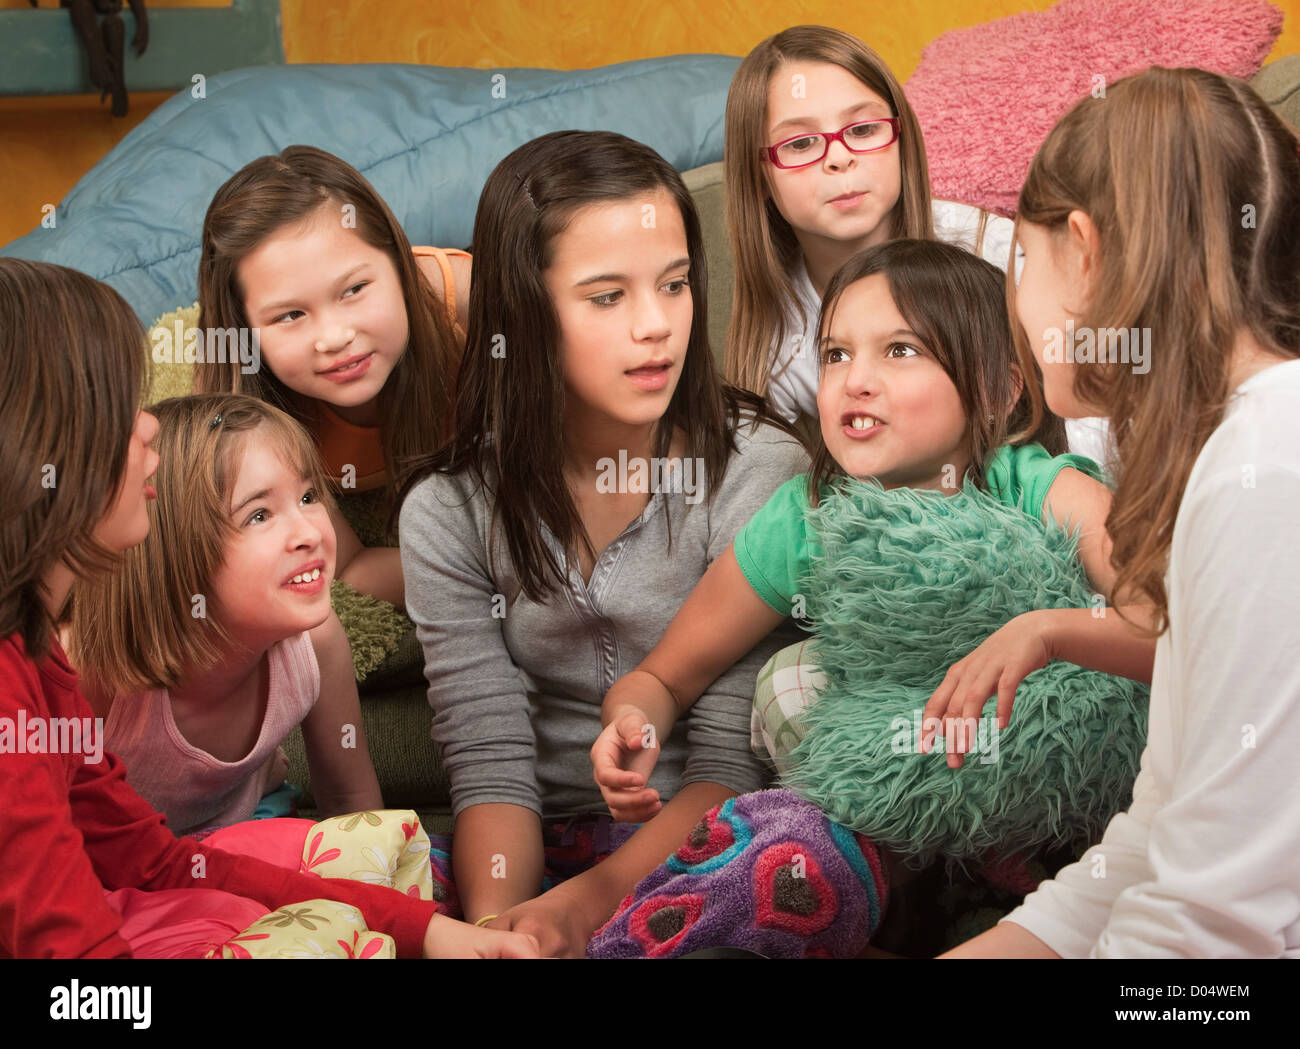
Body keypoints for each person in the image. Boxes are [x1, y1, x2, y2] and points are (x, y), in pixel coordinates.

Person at [590, 240, 1146, 958]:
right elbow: (664, 676)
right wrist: (630, 723)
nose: (857, 381)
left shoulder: (1033, 483)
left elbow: (1168, 618)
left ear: (1001, 389)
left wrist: (1044, 631)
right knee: (788, 684)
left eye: (902, 350)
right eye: (836, 355)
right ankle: (902, 904)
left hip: (1055, 802)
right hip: (898, 813)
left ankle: (1018, 891)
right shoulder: (806, 514)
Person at [0, 257, 536, 959]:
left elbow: (160, 866)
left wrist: (432, 933)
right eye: (117, 407)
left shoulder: (36, 667)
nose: (150, 428)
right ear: (44, 447)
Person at [397, 130, 809, 957]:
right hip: (536, 849)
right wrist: (497, 931)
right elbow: (487, 761)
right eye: (606, 296)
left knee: (788, 859)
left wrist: (586, 908)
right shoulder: (447, 508)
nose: (657, 326)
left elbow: (731, 764)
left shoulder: (758, 467)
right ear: (524, 311)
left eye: (676, 284)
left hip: (708, 842)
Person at [942, 67, 1300, 958]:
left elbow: (1207, 946)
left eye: (1021, 261)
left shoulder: (1269, 464)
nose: (1014, 303)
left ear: (1087, 248)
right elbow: (1150, 846)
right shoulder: (1233, 452)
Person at [723, 25, 1108, 460]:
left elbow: (1096, 417)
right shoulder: (781, 340)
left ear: (900, 137)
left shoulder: (995, 252)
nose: (839, 157)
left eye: (864, 129)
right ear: (758, 175)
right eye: (801, 142)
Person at [67, 394, 383, 837]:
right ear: (174, 554)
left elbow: (352, 807)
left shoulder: (317, 643)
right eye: (258, 514)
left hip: (248, 831)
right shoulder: (91, 674)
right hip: (119, 866)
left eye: (309, 496)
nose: (309, 533)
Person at [194, 146, 471, 609]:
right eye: (290, 315)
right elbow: (348, 567)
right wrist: (490, 569)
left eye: (355, 289)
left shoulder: (466, 302)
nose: (334, 337)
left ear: (401, 268)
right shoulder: (250, 411)